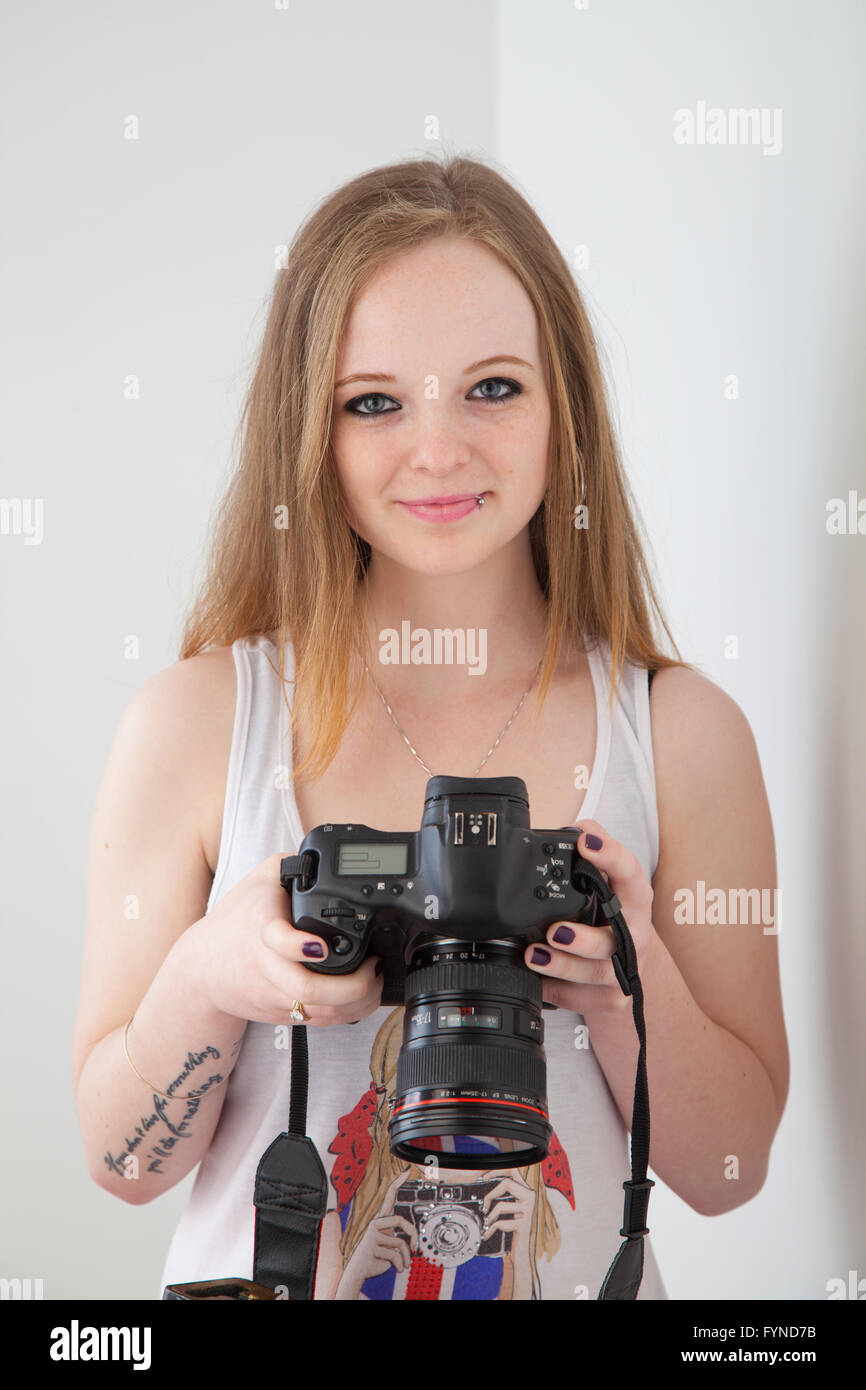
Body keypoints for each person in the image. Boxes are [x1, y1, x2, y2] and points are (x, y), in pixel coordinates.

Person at [72, 154, 789, 1301]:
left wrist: (621, 980)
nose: (439, 449)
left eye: (493, 387)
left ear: (567, 405)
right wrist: (216, 969)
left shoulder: (683, 731)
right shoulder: (197, 721)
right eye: (375, 401)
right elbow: (119, 1161)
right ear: (309, 430)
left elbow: (723, 1171)